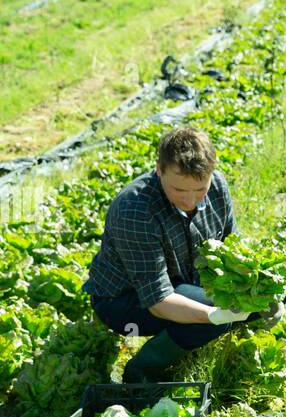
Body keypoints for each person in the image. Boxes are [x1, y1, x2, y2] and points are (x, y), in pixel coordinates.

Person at [83, 125, 273, 385]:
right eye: (179, 190)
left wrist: (264, 293)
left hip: (182, 282)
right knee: (213, 315)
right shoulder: (134, 209)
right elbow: (158, 299)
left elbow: (233, 250)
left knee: (259, 297)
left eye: (199, 190)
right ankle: (140, 373)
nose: (190, 200)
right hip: (126, 302)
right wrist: (211, 316)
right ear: (159, 170)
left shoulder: (217, 186)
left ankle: (201, 324)